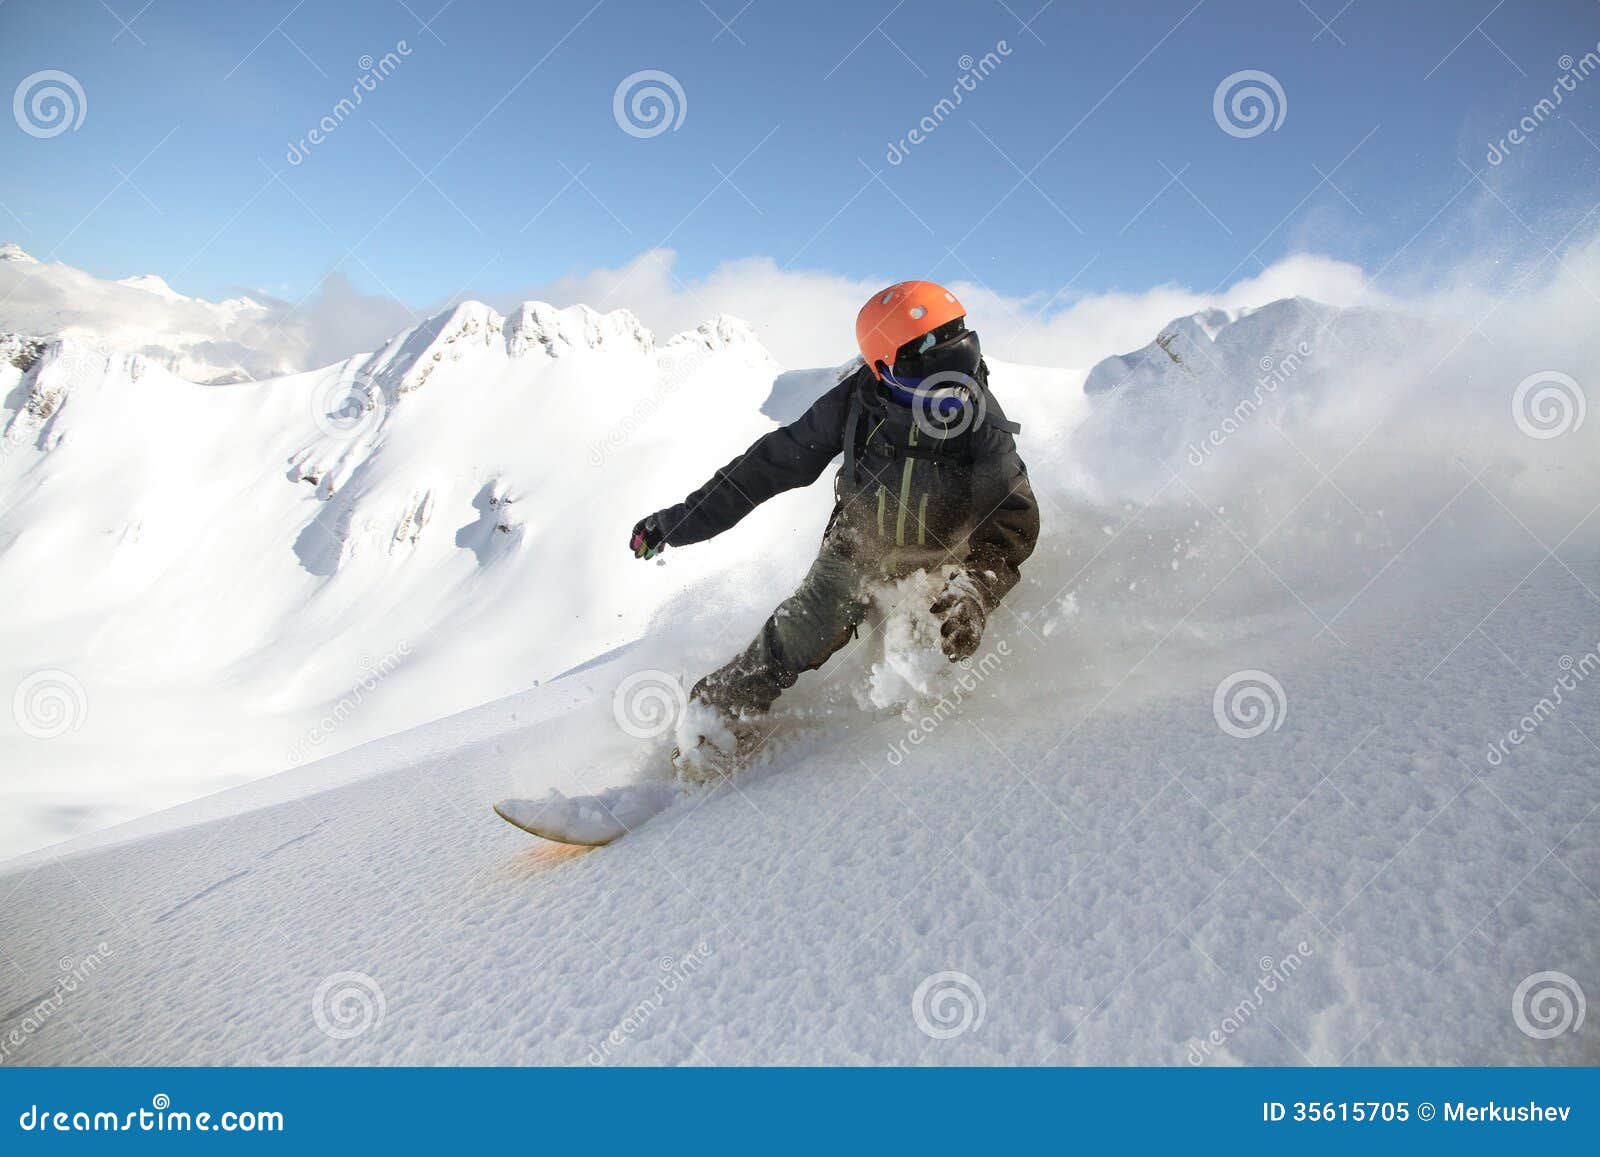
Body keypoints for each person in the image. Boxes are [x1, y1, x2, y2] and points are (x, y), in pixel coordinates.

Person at [630, 280, 1039, 773]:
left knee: (926, 653)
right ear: (885, 368)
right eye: (927, 354)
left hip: (938, 565)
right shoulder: (856, 404)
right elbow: (768, 466)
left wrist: (975, 590)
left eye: (959, 343)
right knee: (797, 631)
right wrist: (675, 524)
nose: (951, 372)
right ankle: (709, 725)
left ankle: (915, 758)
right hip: (856, 552)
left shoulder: (981, 422)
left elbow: (1011, 520)